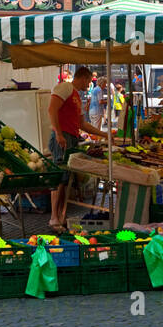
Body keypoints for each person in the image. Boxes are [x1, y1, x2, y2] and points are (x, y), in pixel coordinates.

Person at [47, 66, 106, 231]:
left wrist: (105, 134)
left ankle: (60, 216)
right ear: (84, 77)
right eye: (89, 81)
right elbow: (52, 109)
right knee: (59, 177)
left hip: (71, 138)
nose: (90, 84)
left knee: (65, 179)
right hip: (62, 137)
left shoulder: (77, 96)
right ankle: (54, 218)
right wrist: (58, 134)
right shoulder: (65, 87)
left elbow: (82, 124)